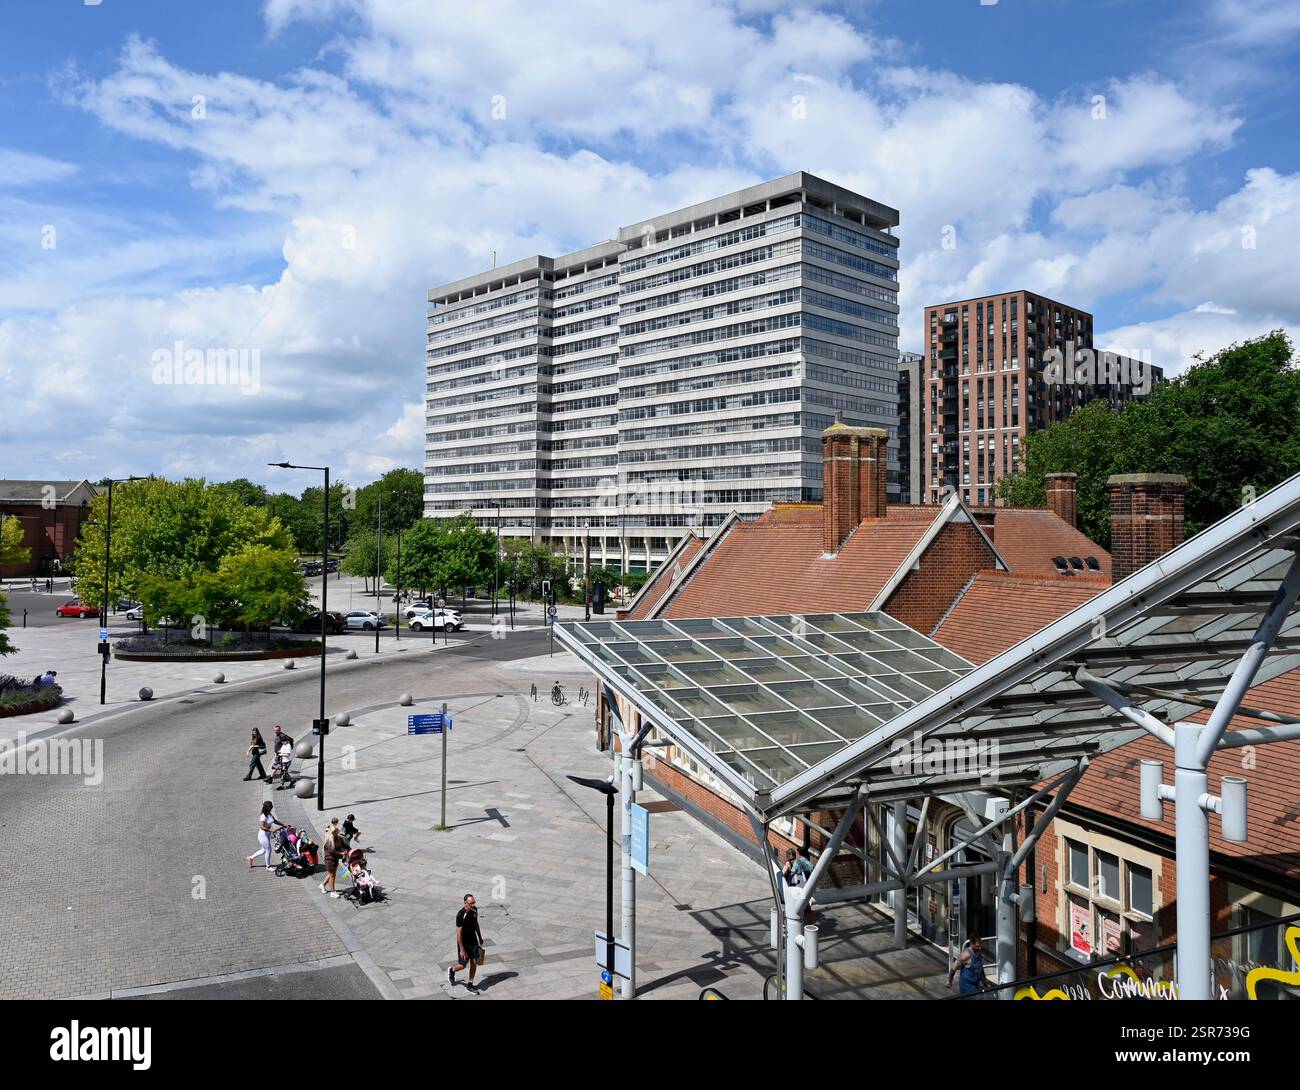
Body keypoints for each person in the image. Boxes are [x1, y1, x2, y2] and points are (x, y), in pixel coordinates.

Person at [447, 893, 484, 992]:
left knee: (474, 962)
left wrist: (480, 937)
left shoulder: (475, 910)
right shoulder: (460, 915)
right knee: (462, 965)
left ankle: (470, 984)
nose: (473, 905)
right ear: (465, 903)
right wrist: (462, 949)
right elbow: (458, 933)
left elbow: (476, 924)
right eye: (471, 903)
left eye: (474, 902)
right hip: (464, 943)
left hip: (473, 941)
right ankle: (452, 970)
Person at [247, 801, 285, 871]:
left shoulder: (269, 814)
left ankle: (251, 858)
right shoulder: (263, 816)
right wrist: (270, 830)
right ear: (267, 807)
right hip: (262, 835)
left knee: (263, 851)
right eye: (270, 807)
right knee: (268, 850)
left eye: (271, 806)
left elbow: (274, 821)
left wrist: (283, 824)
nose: (271, 808)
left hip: (267, 835)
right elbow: (262, 827)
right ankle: (268, 867)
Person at [319, 820, 345, 898]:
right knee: (332, 876)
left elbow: (344, 845)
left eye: (336, 831)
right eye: (335, 832)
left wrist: (348, 849)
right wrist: (341, 853)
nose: (336, 833)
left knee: (331, 874)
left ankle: (322, 885)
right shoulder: (329, 841)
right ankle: (333, 892)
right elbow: (332, 852)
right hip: (330, 860)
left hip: (335, 859)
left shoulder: (337, 838)